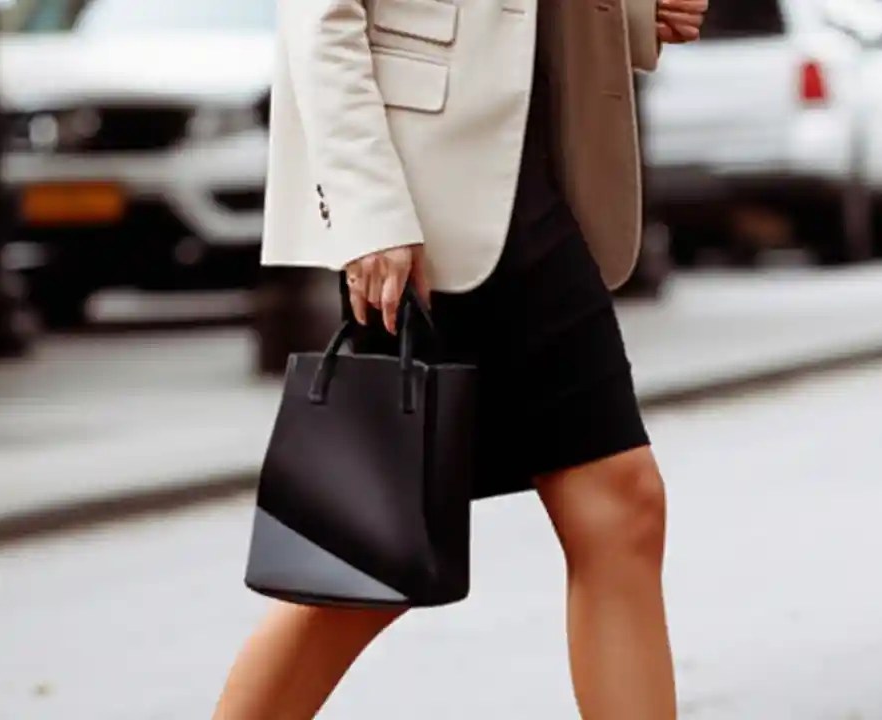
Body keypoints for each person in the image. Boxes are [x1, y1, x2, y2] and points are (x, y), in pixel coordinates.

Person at [216, 0, 707, 717]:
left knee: (619, 509)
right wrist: (368, 206)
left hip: (524, 173)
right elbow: (320, 17)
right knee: (370, 553)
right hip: (424, 197)